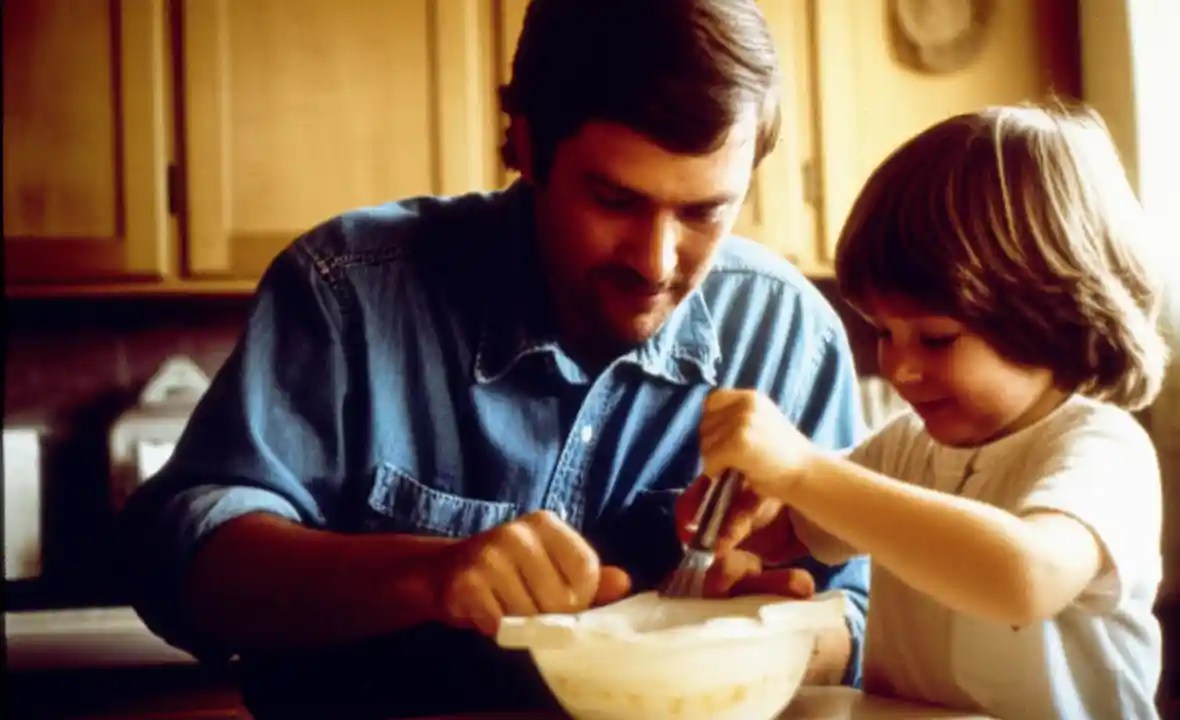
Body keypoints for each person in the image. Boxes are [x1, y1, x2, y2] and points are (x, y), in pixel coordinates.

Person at [117, 1, 870, 717]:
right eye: (613, 200)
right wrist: (429, 574)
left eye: (705, 211)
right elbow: (184, 569)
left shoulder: (789, 337)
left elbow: (865, 627)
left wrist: (764, 636)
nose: (655, 261)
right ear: (526, 144)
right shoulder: (348, 289)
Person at [684, 104, 1169, 719]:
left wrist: (801, 468)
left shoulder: (1100, 450)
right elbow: (796, 530)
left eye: (936, 338)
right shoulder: (905, 448)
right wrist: (744, 513)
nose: (898, 367)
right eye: (885, 332)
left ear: (1052, 313)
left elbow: (1023, 578)